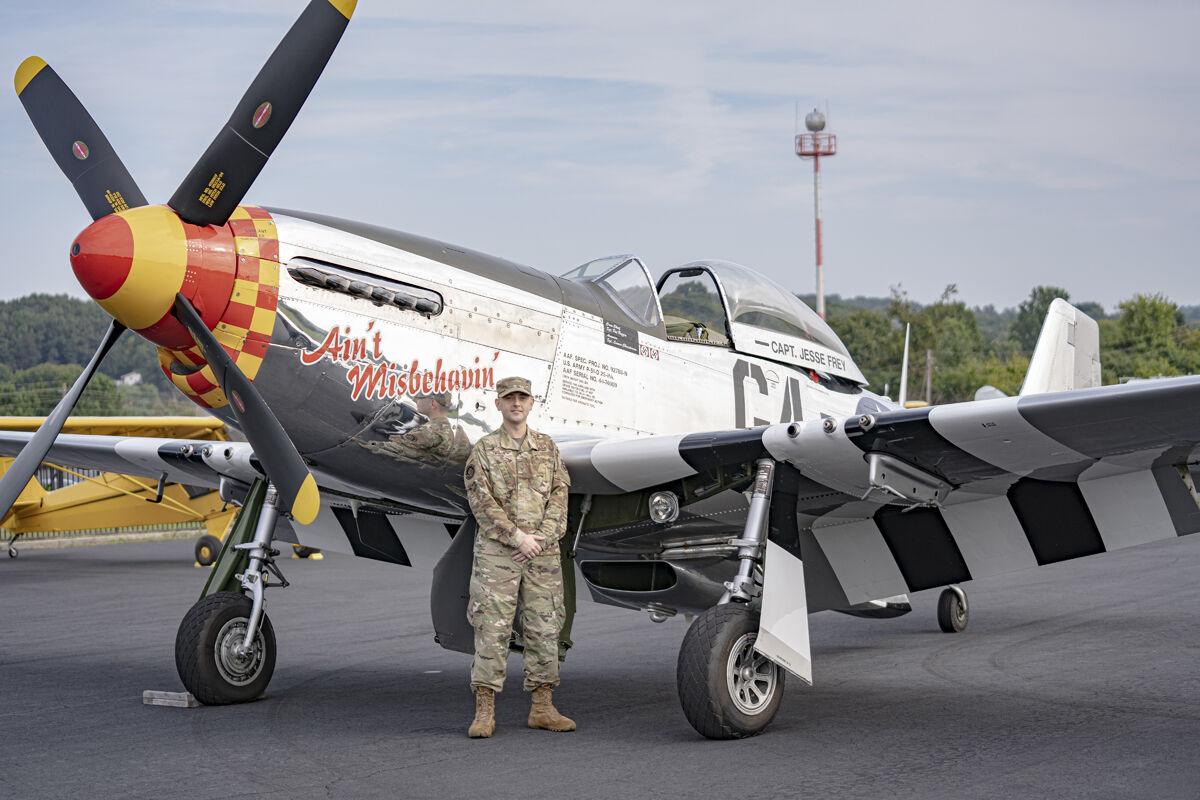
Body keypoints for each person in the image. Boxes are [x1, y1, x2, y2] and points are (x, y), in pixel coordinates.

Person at [463, 376, 574, 738]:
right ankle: (484, 710)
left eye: (522, 398)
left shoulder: (547, 448)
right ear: (497, 404)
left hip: (541, 551)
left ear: (531, 403)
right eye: (509, 398)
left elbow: (560, 495)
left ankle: (542, 707)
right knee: (491, 629)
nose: (516, 404)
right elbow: (481, 502)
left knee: (544, 628)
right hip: (499, 552)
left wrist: (541, 537)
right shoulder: (484, 450)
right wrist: (517, 537)